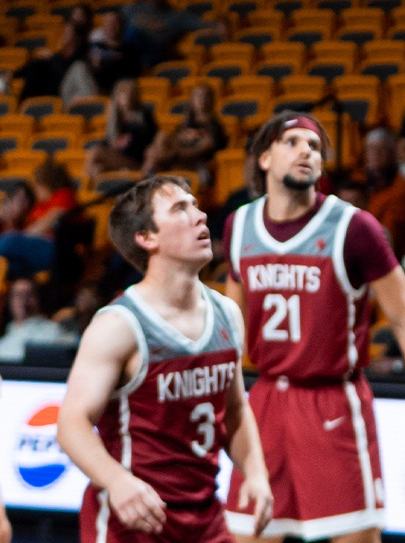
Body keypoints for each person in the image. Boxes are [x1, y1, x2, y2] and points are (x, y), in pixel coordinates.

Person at [222, 112, 405, 542]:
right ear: (264, 158)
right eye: (292, 142)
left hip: (332, 402)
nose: (306, 152)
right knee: (246, 533)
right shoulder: (239, 225)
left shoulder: (354, 227)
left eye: (314, 147)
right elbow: (229, 323)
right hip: (266, 399)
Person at [59, 176, 274, 543]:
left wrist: (255, 472)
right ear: (147, 238)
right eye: (180, 209)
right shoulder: (119, 325)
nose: (200, 215)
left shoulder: (226, 312)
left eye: (195, 204)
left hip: (205, 517)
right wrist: (117, 481)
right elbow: (71, 424)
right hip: (134, 519)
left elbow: (235, 410)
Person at [145, 81, 226, 180]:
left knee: (156, 156)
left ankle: (145, 178)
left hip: (198, 162)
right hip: (177, 157)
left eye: (205, 96)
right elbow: (175, 138)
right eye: (198, 96)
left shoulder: (214, 125)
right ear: (192, 100)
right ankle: (147, 176)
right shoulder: (187, 122)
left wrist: (175, 152)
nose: (202, 100)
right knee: (160, 138)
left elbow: (201, 149)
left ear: (211, 100)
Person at [353, 130, 405, 252]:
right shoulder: (356, 182)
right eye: (371, 149)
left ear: (392, 154)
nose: (375, 154)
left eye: (382, 149)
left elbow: (387, 236)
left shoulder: (401, 190)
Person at [121, 0, 203, 67]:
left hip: (155, 53)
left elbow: (201, 24)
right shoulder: (132, 9)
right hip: (131, 53)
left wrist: (219, 26)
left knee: (132, 33)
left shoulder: (176, 15)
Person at [87, 78, 160, 178]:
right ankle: (89, 188)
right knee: (98, 168)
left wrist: (129, 140)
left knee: (96, 152)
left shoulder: (144, 115)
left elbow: (151, 140)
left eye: (130, 94)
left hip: (138, 160)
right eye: (123, 94)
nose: (127, 98)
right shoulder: (115, 119)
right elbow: (109, 141)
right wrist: (115, 143)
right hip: (119, 157)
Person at [0, 277, 77, 362]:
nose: (24, 301)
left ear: (38, 299)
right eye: (18, 295)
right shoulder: (6, 336)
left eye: (29, 295)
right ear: (10, 301)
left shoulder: (52, 330)